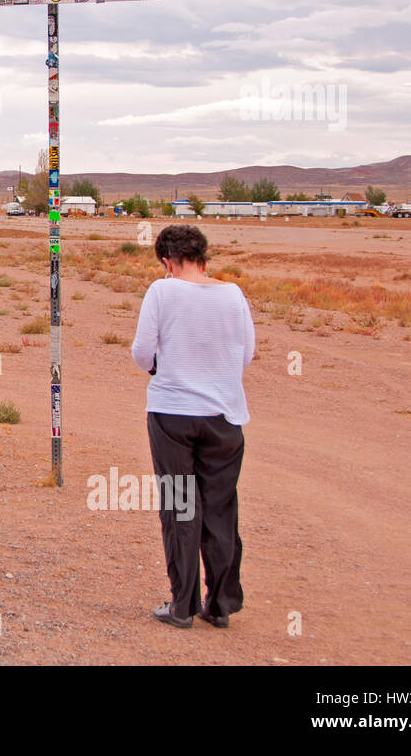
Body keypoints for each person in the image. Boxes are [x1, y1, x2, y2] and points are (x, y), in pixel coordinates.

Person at [131, 224, 255, 628]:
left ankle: (182, 605)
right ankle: (220, 605)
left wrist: (159, 367)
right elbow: (247, 353)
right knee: (220, 509)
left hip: (172, 415)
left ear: (168, 261)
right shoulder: (233, 295)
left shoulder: (162, 291)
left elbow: (141, 353)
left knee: (180, 507)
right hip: (224, 416)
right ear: (203, 258)